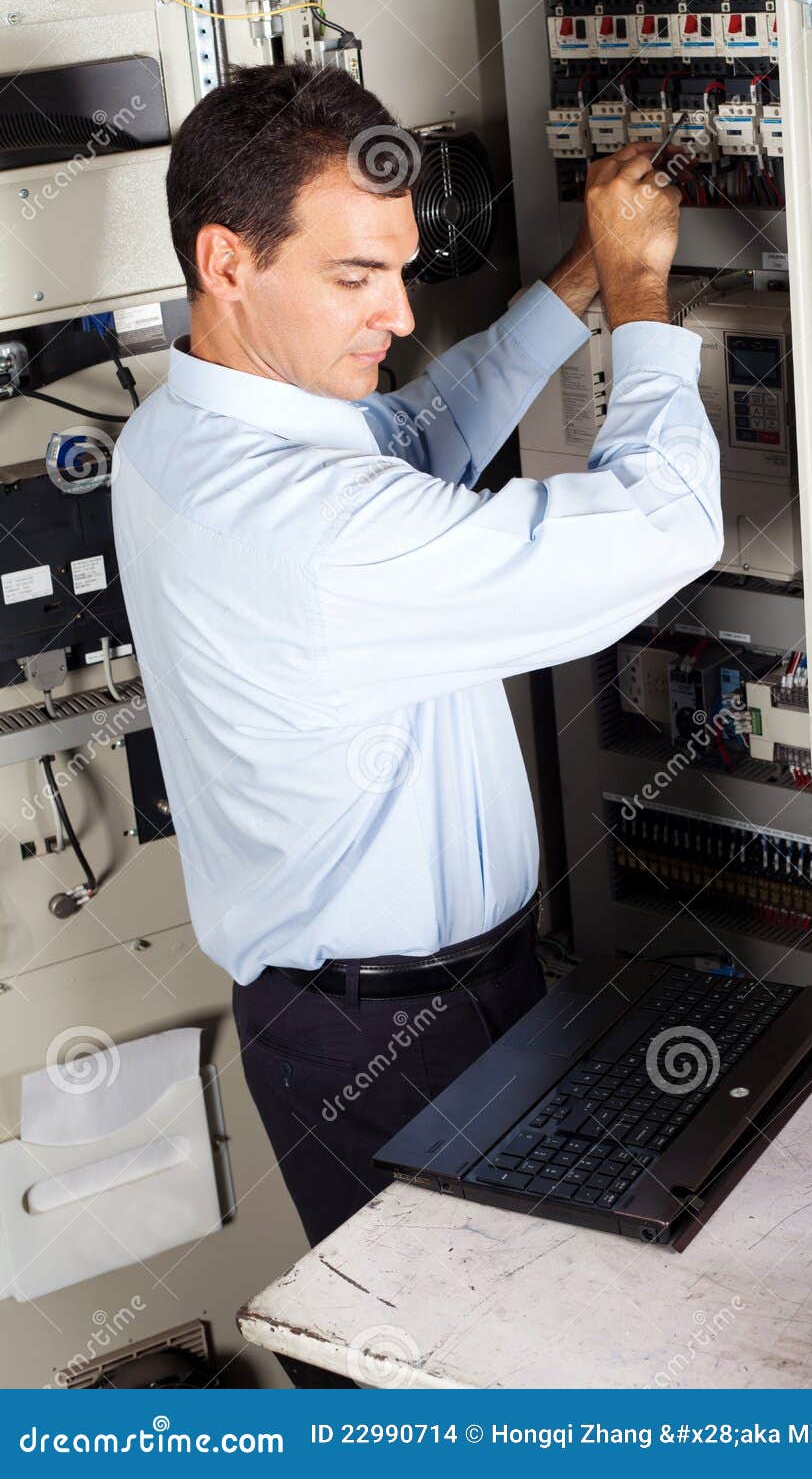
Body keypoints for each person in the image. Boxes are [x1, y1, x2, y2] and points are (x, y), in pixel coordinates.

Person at [112, 61, 722, 1248]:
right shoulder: (316, 531)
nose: (397, 315)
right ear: (226, 262)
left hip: (408, 1004)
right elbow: (669, 524)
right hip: (383, 1040)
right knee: (443, 1403)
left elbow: (419, 433)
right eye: (355, 277)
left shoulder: (179, 432)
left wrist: (581, 275)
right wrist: (643, 291)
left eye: (397, 268)